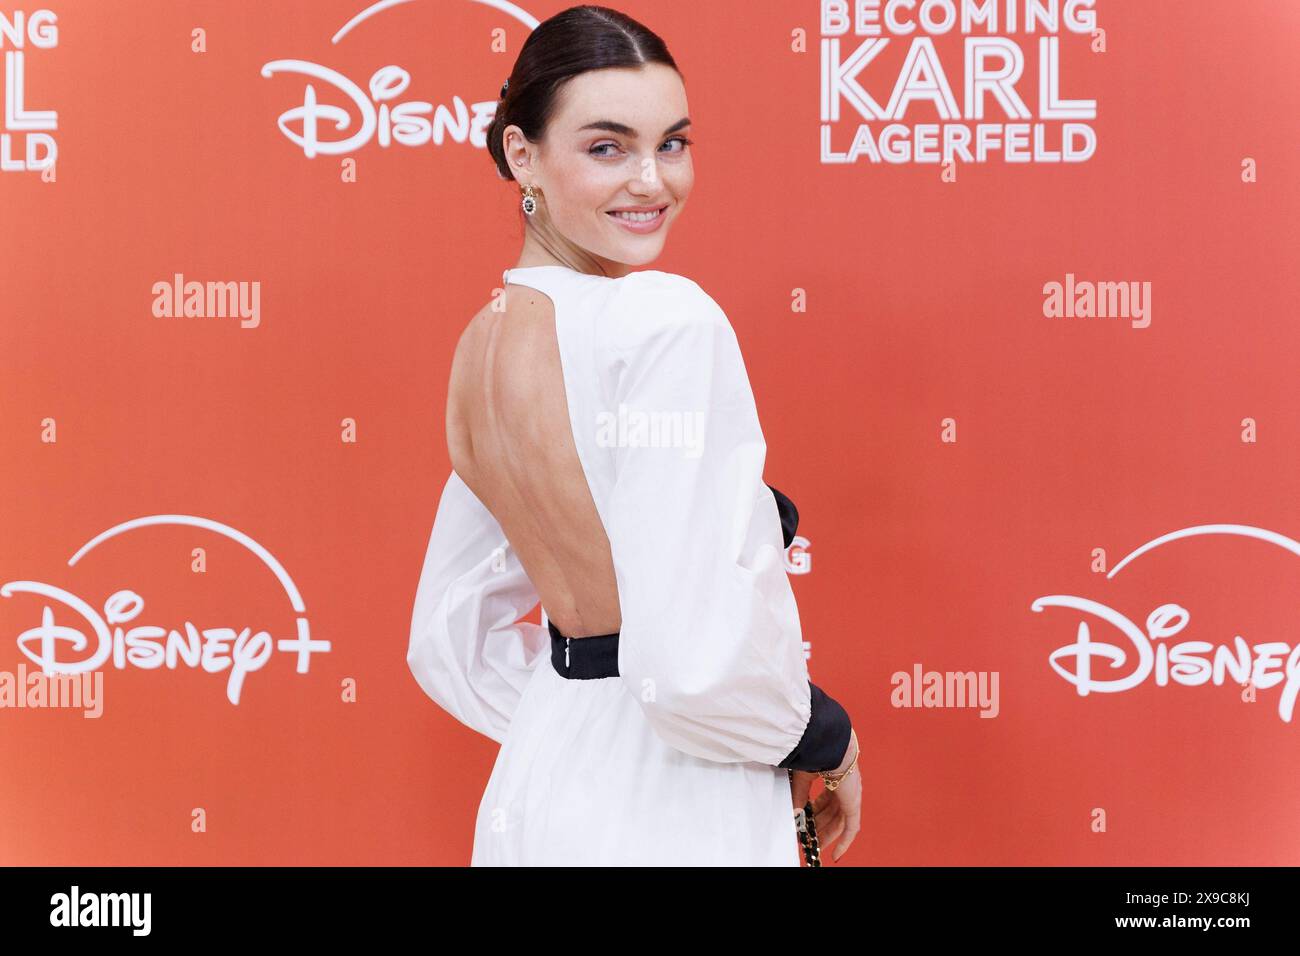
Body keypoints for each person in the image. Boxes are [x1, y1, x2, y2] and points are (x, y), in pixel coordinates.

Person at [406, 4, 860, 865]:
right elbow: (691, 662)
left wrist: (578, 716)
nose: (652, 181)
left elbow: (448, 639)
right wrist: (820, 738)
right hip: (672, 803)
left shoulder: (485, 341)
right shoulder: (663, 317)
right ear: (520, 154)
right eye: (607, 147)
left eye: (674, 143)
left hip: (538, 787)